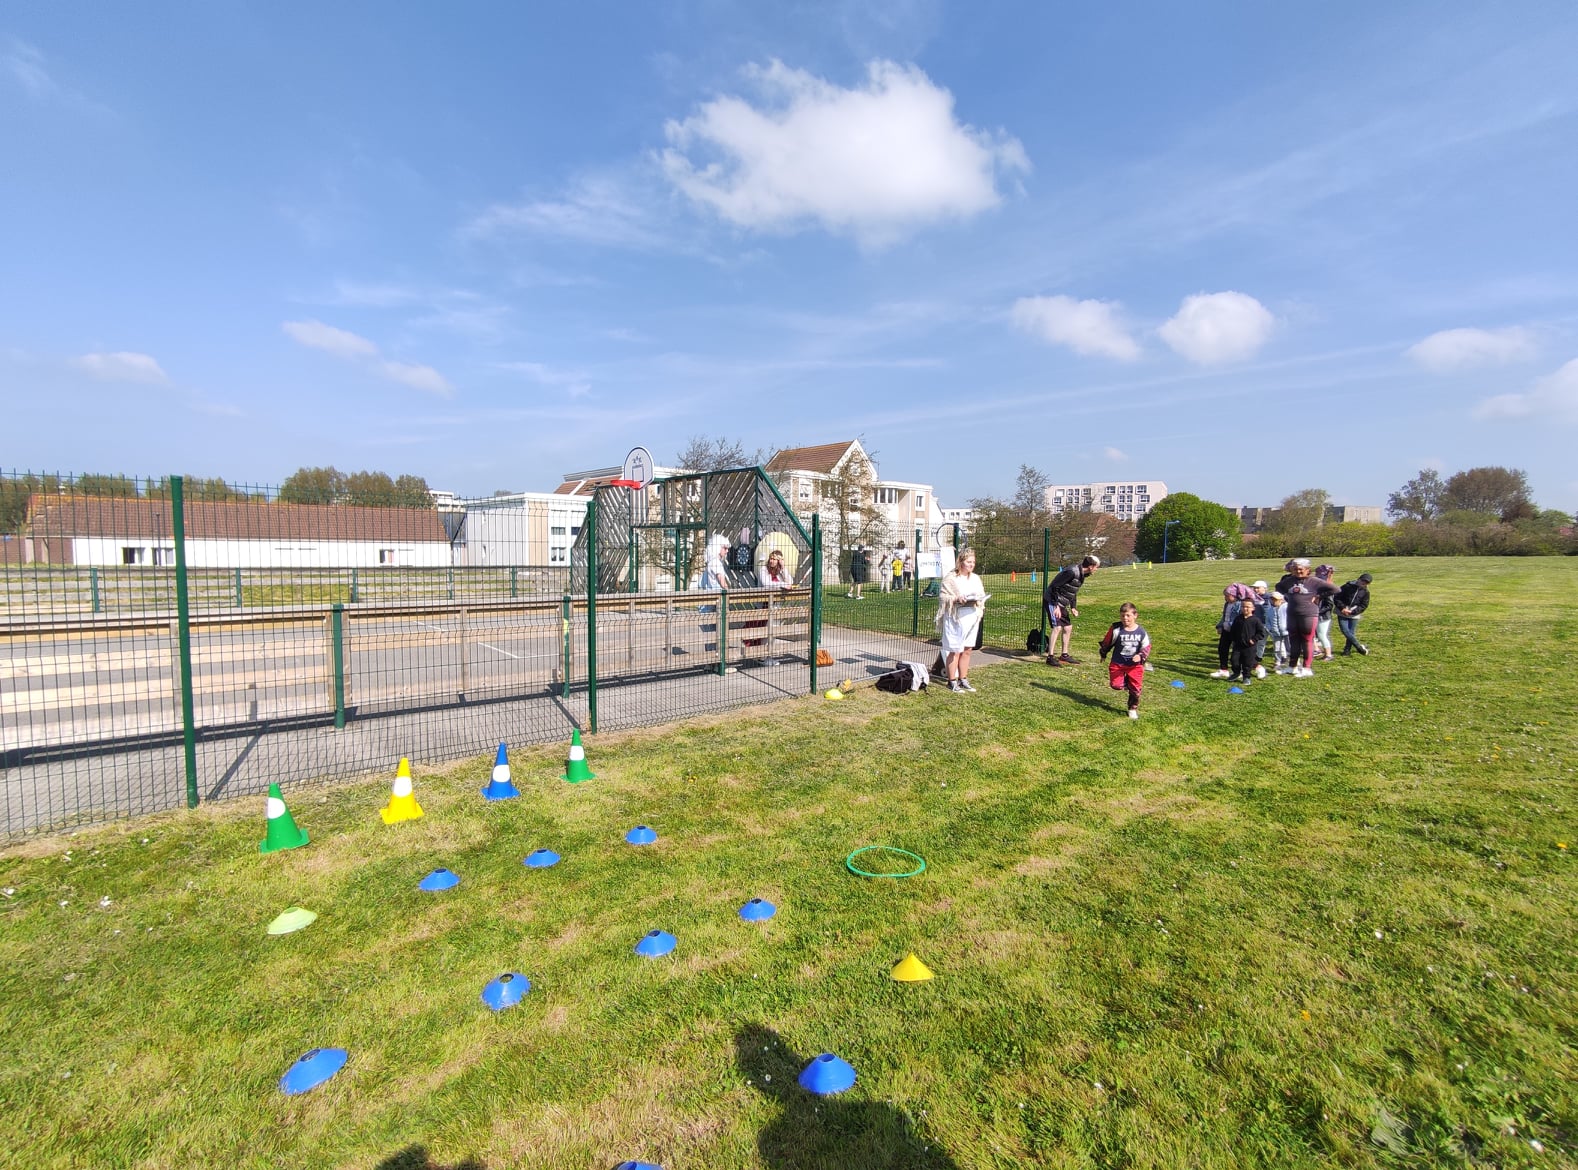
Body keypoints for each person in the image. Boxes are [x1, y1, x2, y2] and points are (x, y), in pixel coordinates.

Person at [1276, 558, 1339, 677]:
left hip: (1308, 614)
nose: (1298, 571)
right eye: (1295, 569)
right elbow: (1278, 587)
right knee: (1293, 640)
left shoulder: (1314, 581)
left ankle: (1306, 668)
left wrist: (1319, 595)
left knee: (1307, 640)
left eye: (1300, 569)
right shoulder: (1289, 580)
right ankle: (1292, 667)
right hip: (1292, 614)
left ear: (1307, 570)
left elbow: (1335, 589)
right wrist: (1287, 596)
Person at [936, 546, 987, 693]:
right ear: (961, 562)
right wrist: (956, 598)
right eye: (968, 562)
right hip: (956, 616)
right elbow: (943, 596)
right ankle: (951, 680)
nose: (971, 565)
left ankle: (963, 678)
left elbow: (980, 594)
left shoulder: (975, 578)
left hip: (972, 615)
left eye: (973, 562)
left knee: (967, 649)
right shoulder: (951, 578)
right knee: (955, 650)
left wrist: (979, 599)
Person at [1043, 555, 1100, 666]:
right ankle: (1050, 657)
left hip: (1061, 602)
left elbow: (1072, 590)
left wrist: (1073, 607)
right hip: (1051, 600)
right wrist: (1056, 606)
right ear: (1091, 566)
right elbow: (1055, 586)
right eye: (1096, 567)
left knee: (1068, 627)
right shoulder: (1071, 572)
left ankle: (1064, 655)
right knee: (1057, 627)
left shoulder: (1083, 574)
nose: (1097, 569)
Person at [1099, 602, 1151, 718]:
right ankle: (1126, 682)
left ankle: (1132, 708)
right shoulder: (1116, 629)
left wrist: (1141, 656)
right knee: (1116, 685)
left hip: (1135, 666)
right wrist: (1103, 654)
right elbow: (1107, 642)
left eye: (1128, 615)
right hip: (1118, 664)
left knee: (1136, 689)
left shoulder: (1141, 632)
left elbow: (1146, 646)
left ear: (1135, 615)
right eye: (1122, 615)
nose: (1125, 618)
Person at [1209, 584, 1250, 678]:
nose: (1225, 598)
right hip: (1226, 630)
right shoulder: (1227, 604)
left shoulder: (1240, 605)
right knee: (1222, 648)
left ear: (1234, 595)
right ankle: (1223, 669)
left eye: (1227, 596)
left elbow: (1240, 619)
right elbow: (1224, 617)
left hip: (1236, 631)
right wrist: (1220, 626)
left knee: (1237, 652)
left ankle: (1240, 670)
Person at [1226, 596, 1266, 684]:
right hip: (1238, 645)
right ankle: (1236, 673)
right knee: (1234, 660)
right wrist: (1233, 639)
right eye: (1243, 606)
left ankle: (1246, 677)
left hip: (1249, 646)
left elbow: (1261, 633)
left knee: (1247, 663)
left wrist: (1254, 640)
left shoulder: (1255, 620)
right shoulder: (1238, 619)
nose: (1245, 609)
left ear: (1253, 608)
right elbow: (1233, 630)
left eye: (1248, 607)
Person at [1336, 572, 1373, 655]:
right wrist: (1342, 608)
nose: (1364, 583)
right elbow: (1337, 597)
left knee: (1351, 632)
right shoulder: (1347, 586)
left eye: (1366, 582)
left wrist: (1353, 612)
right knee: (1345, 630)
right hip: (1342, 611)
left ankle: (1347, 651)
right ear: (1358, 579)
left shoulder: (1366, 592)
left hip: (1354, 613)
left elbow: (1364, 605)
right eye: (1363, 580)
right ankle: (1359, 647)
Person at [1313, 564, 1338, 661]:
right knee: (1314, 634)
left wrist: (1318, 612)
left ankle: (1328, 654)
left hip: (1323, 616)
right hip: (1315, 614)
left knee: (1322, 635)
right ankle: (1317, 650)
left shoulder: (1328, 588)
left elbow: (1329, 605)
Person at [1265, 590, 1290, 670]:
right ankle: (1277, 661)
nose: (1273, 601)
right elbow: (1268, 621)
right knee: (1277, 648)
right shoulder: (1270, 610)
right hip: (1275, 632)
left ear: (1281, 600)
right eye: (1272, 599)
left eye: (1275, 599)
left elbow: (1290, 618)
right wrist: (1269, 628)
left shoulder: (1286, 607)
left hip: (1286, 631)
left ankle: (1292, 661)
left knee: (1289, 647)